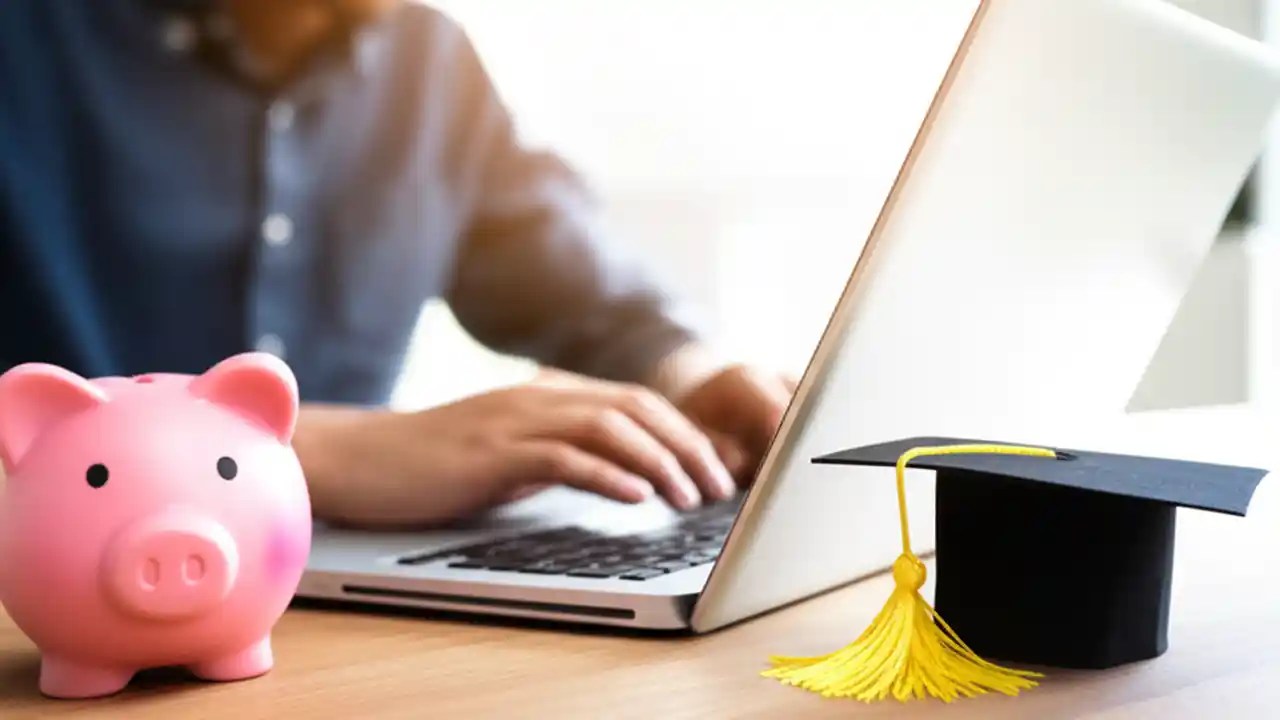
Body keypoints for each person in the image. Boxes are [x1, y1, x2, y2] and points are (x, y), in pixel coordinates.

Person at [0, 0, 795, 527]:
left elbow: (569, 276)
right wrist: (310, 452)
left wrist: (692, 377)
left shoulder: (428, 60)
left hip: (349, 602)